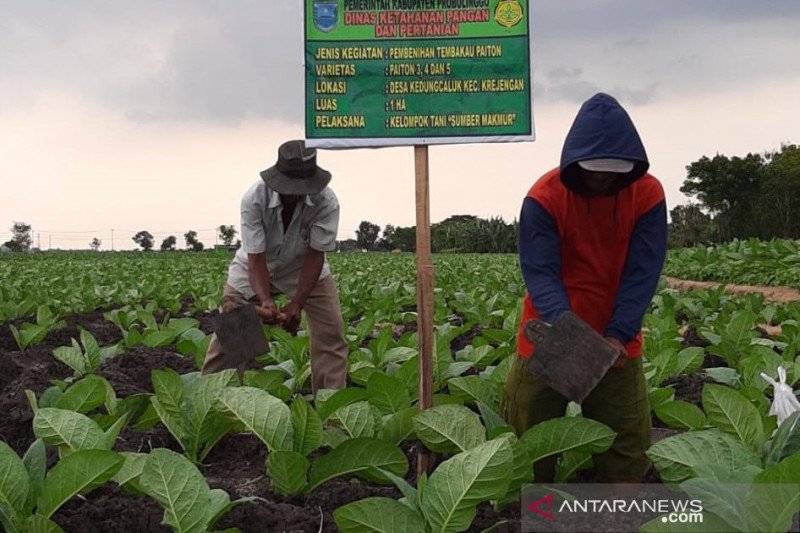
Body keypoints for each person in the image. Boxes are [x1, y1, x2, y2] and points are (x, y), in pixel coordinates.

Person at [501, 93, 667, 483]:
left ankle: (621, 520)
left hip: (616, 344)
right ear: (574, 163)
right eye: (594, 170)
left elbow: (643, 271)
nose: (603, 177)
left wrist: (617, 335)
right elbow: (541, 274)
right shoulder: (543, 198)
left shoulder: (647, 194)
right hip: (553, 336)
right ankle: (532, 518)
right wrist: (572, 336)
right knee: (530, 446)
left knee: (625, 447)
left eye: (613, 170)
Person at [202, 139, 348, 394]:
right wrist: (266, 300)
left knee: (331, 335)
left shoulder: (327, 202)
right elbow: (255, 257)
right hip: (255, 268)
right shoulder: (254, 198)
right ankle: (214, 402)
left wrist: (297, 304)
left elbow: (316, 256)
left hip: (304, 270)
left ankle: (331, 411)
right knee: (231, 333)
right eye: (289, 187)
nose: (295, 193)